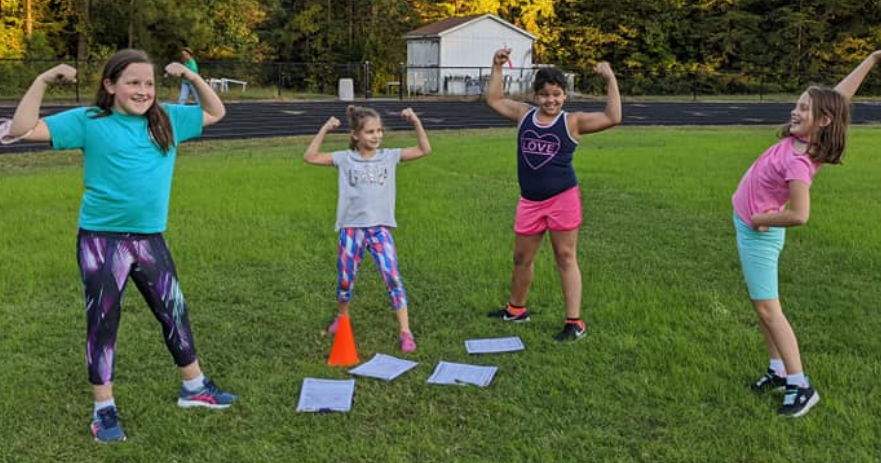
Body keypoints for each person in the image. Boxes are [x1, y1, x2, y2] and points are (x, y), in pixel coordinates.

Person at [6, 49, 237, 443]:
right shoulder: (90, 121)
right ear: (110, 86)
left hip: (149, 238)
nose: (143, 90)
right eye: (133, 82)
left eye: (148, 83)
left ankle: (194, 387)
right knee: (103, 323)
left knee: (173, 311)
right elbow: (23, 128)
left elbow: (215, 113)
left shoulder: (165, 118)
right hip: (102, 241)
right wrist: (43, 79)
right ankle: (103, 409)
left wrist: (192, 78)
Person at [733, 50, 881, 417]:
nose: (795, 111)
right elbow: (838, 97)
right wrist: (872, 59)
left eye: (804, 108)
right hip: (752, 226)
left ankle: (801, 386)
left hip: (759, 234)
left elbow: (800, 215)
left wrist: (761, 218)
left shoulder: (799, 161)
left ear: (823, 121)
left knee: (769, 309)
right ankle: (778, 369)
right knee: (760, 305)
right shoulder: (808, 137)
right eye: (798, 104)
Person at [484, 48, 621, 341]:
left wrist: (610, 78)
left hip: (562, 199)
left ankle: (575, 322)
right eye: (545, 94)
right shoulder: (524, 115)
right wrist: (497, 66)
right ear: (536, 96)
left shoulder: (572, 122)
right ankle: (516, 309)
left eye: (557, 94)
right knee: (521, 257)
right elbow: (494, 99)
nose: (551, 100)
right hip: (530, 201)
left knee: (565, 256)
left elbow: (613, 117)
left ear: (565, 96)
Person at [304, 105, 431, 353]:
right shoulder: (343, 158)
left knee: (393, 277)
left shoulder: (389, 156)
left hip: (380, 230)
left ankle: (405, 331)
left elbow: (424, 149)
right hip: (352, 230)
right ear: (356, 135)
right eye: (370, 132)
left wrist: (415, 121)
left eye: (379, 131)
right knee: (345, 281)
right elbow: (310, 157)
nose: (377, 136)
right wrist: (325, 129)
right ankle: (342, 319)